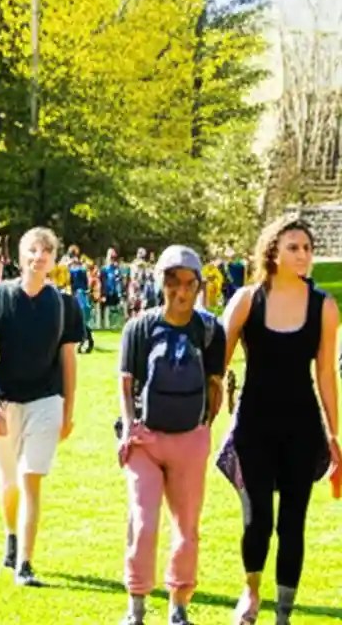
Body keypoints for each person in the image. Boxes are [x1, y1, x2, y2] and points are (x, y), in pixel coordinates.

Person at [218, 216, 341, 624]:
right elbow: (215, 362)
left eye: (307, 247)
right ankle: (251, 592)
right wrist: (203, 410)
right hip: (254, 425)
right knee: (258, 521)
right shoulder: (247, 300)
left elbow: (326, 372)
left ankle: (284, 613)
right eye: (293, 247)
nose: (303, 254)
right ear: (272, 252)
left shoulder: (324, 306)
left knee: (293, 523)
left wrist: (335, 434)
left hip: (302, 429)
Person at [116, 246, 227, 625]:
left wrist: (202, 430)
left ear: (198, 285)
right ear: (159, 283)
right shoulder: (140, 328)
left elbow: (216, 385)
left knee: (187, 527)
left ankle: (179, 605)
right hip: (145, 439)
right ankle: (136, 606)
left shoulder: (210, 329)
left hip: (189, 439)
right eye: (171, 281)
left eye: (187, 282)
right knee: (143, 522)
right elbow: (126, 380)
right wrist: (130, 425)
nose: (180, 290)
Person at [0, 227, 83, 587]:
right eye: (33, 251)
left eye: (46, 252)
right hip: (5, 402)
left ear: (54, 259)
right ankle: (11, 536)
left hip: (46, 401)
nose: (39, 257)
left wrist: (67, 412)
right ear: (22, 257)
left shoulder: (65, 306)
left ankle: (25, 564)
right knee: (8, 484)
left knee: (30, 479)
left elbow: (69, 361)